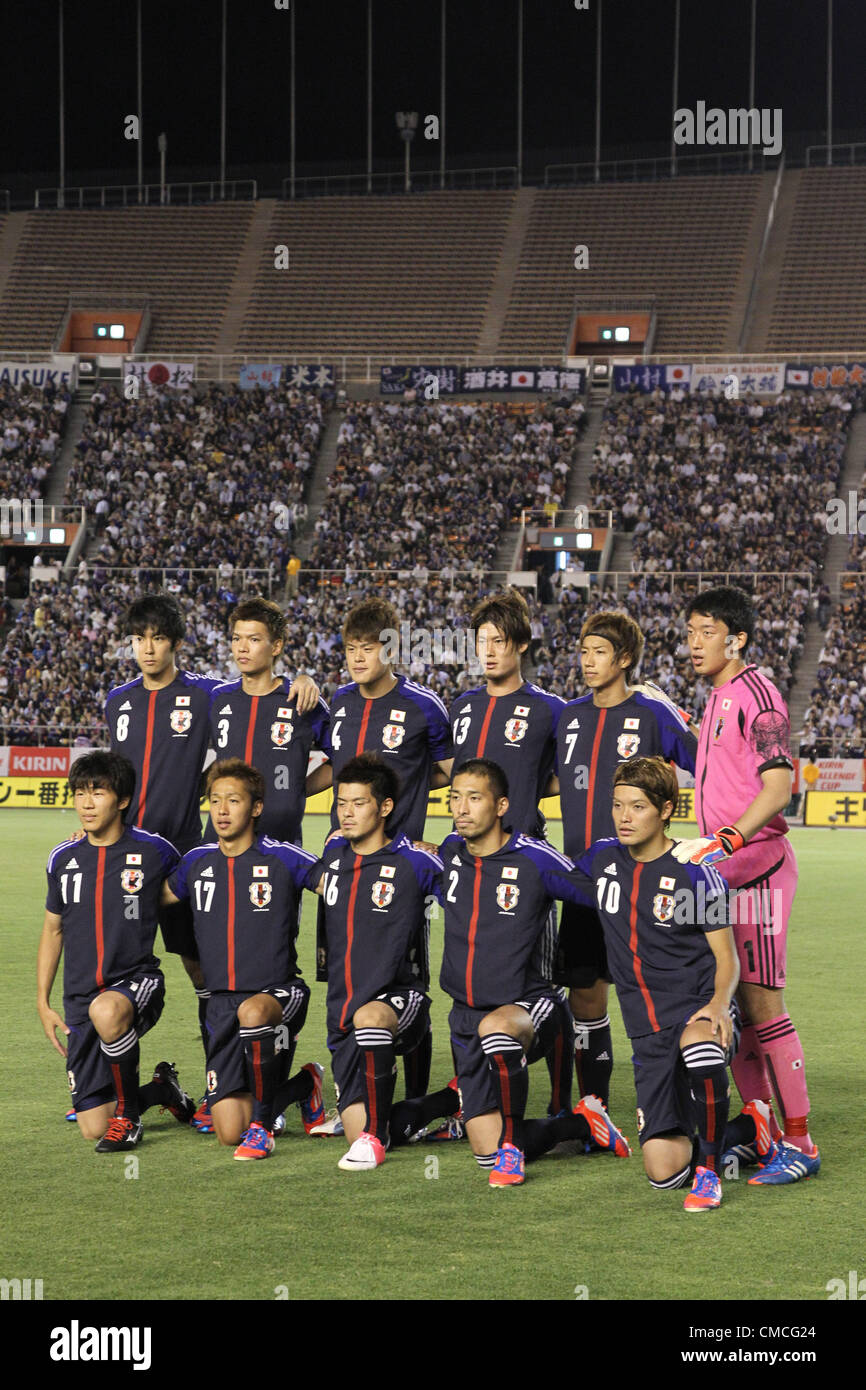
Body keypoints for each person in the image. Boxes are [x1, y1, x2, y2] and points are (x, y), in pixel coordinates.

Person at [105, 591, 320, 1133]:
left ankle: (278, 1087)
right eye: (237, 640)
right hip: (199, 858)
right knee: (200, 972)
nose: (243, 648)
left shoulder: (295, 700)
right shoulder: (213, 697)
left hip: (269, 857)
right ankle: (193, 1085)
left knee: (261, 971)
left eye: (254, 639)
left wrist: (296, 791)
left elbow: (343, 752)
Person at [413, 758, 632, 1187]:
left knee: (497, 1031)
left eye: (474, 798)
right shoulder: (453, 852)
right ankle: (583, 1124)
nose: (461, 808)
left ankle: (514, 1151)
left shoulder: (534, 860)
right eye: (455, 798)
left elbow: (595, 893)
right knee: (484, 1150)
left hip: (531, 1007)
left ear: (501, 806)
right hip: (465, 1016)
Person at [673, 586, 819, 1185]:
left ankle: (802, 1143)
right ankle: (761, 1125)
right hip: (726, 869)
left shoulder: (759, 695)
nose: (693, 644)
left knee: (762, 1006)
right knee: (735, 1007)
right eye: (689, 633)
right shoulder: (716, 698)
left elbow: (778, 787)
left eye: (705, 631)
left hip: (756, 864)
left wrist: (728, 839)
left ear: (737, 638)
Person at [568, 757, 741, 1211]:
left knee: (700, 1049)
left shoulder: (693, 870)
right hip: (647, 1030)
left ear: (665, 810)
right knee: (663, 1174)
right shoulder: (603, 858)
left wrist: (721, 1005)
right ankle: (749, 1130)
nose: (625, 817)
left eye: (638, 807)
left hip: (700, 1007)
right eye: (618, 805)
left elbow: (727, 958)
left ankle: (709, 1173)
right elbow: (548, 873)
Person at [548, 611, 698, 1115]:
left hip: (642, 881)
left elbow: (704, 760)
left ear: (625, 659)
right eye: (584, 651)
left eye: (599, 653)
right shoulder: (567, 716)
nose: (588, 662)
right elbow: (553, 779)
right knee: (586, 997)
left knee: (656, 995)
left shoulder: (653, 714)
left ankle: (671, 1103)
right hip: (587, 881)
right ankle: (595, 1110)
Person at [448, 589, 574, 1121]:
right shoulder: (463, 708)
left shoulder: (550, 710)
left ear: (520, 645)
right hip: (469, 859)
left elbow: (566, 775)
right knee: (476, 977)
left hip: (526, 864)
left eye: (499, 642)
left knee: (536, 985)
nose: (490, 652)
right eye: (482, 643)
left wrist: (523, 803)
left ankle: (564, 1103)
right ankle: (477, 1086)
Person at [161, 759, 323, 1160]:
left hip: (279, 993)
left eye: (233, 800)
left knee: (253, 1014)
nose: (221, 810)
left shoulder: (284, 858)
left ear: (255, 808)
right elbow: (152, 894)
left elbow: (338, 886)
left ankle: (263, 1127)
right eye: (215, 800)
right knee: (227, 1132)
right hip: (220, 1006)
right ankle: (305, 1085)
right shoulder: (196, 863)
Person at [37, 750, 195, 1152]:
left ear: (122, 800)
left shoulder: (154, 850)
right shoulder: (63, 858)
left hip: (134, 983)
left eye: (98, 793)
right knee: (92, 1126)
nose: (86, 804)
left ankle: (128, 1120)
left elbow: (187, 885)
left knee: (106, 1011)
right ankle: (162, 1091)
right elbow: (53, 928)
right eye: (80, 794)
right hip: (79, 998)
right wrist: (43, 1001)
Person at [306, 753, 442, 1171]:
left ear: (384, 807)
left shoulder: (416, 862)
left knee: (369, 1133)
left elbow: (472, 889)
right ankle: (455, 1096)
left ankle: (374, 1138)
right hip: (343, 1010)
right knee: (358, 1126)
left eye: (359, 803)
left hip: (401, 1000)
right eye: (341, 803)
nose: (347, 813)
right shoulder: (332, 855)